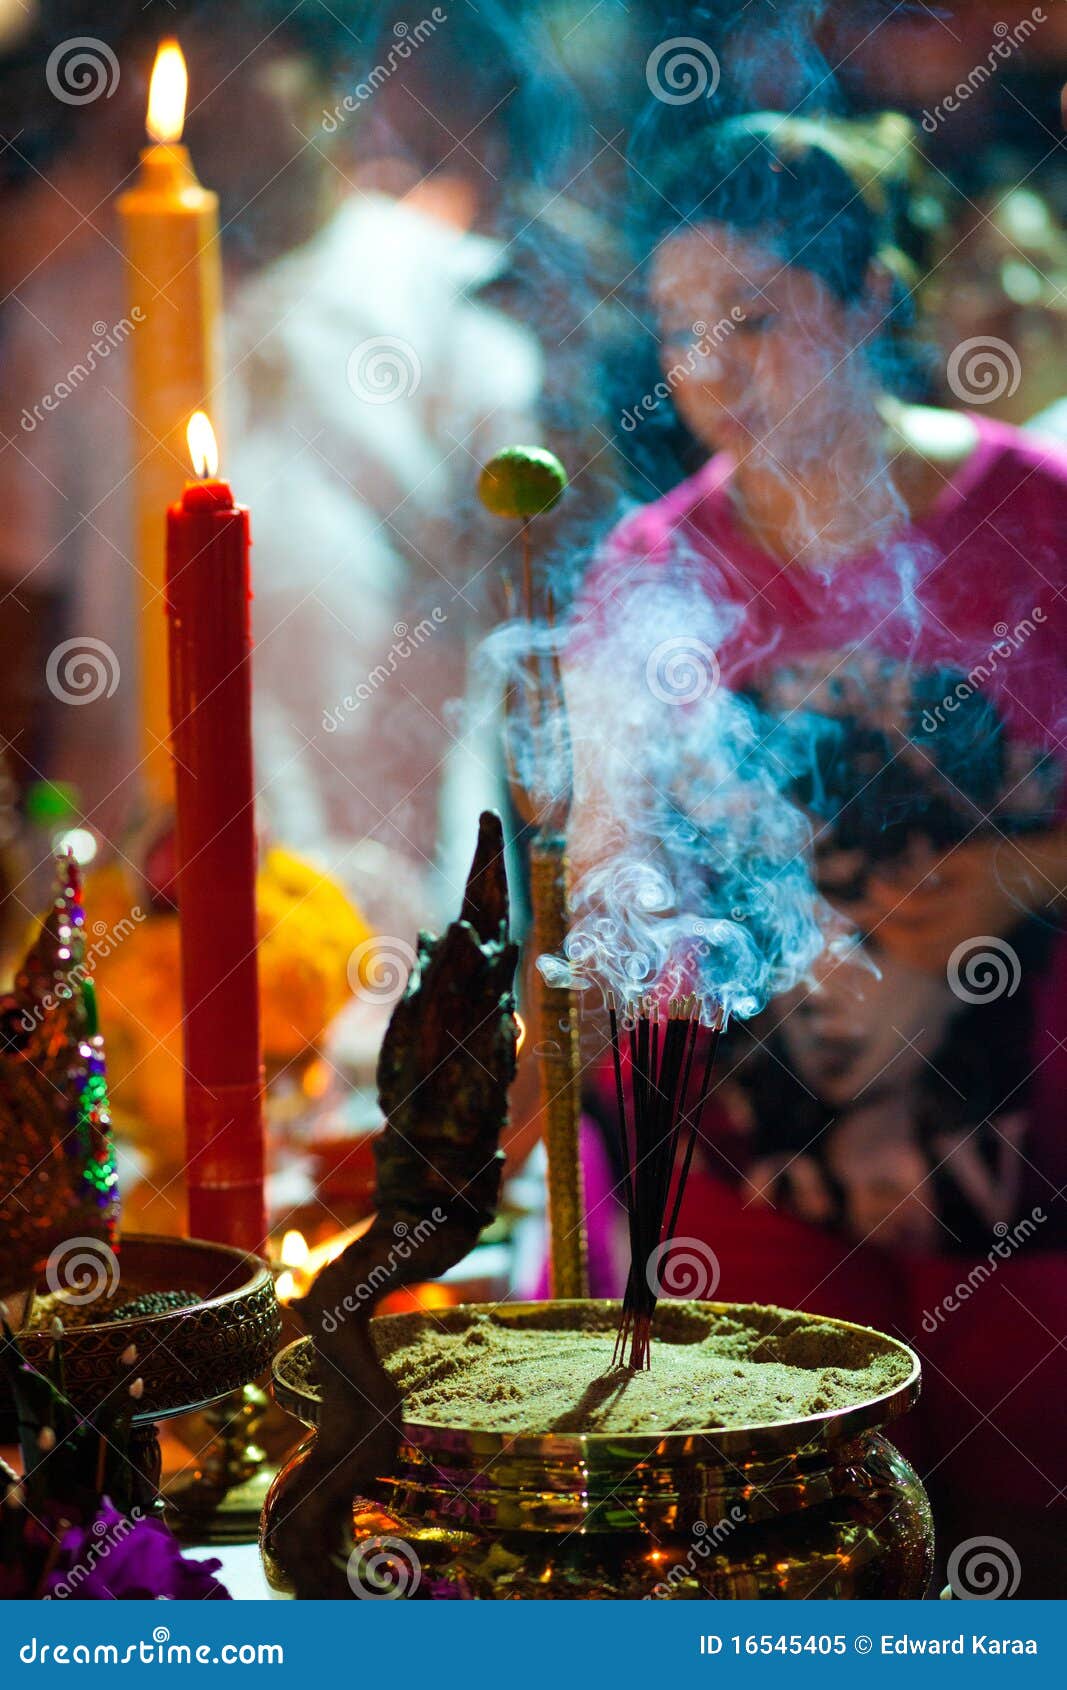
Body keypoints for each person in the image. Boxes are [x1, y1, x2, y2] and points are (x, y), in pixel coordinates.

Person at [568, 111, 1067, 1592]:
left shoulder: (1037, 522)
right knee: (782, 1555)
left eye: (755, 318)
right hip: (752, 1175)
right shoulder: (650, 569)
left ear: (871, 302)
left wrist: (1020, 871)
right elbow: (608, 862)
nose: (709, 367)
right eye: (674, 327)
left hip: (1029, 1164)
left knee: (1026, 1546)